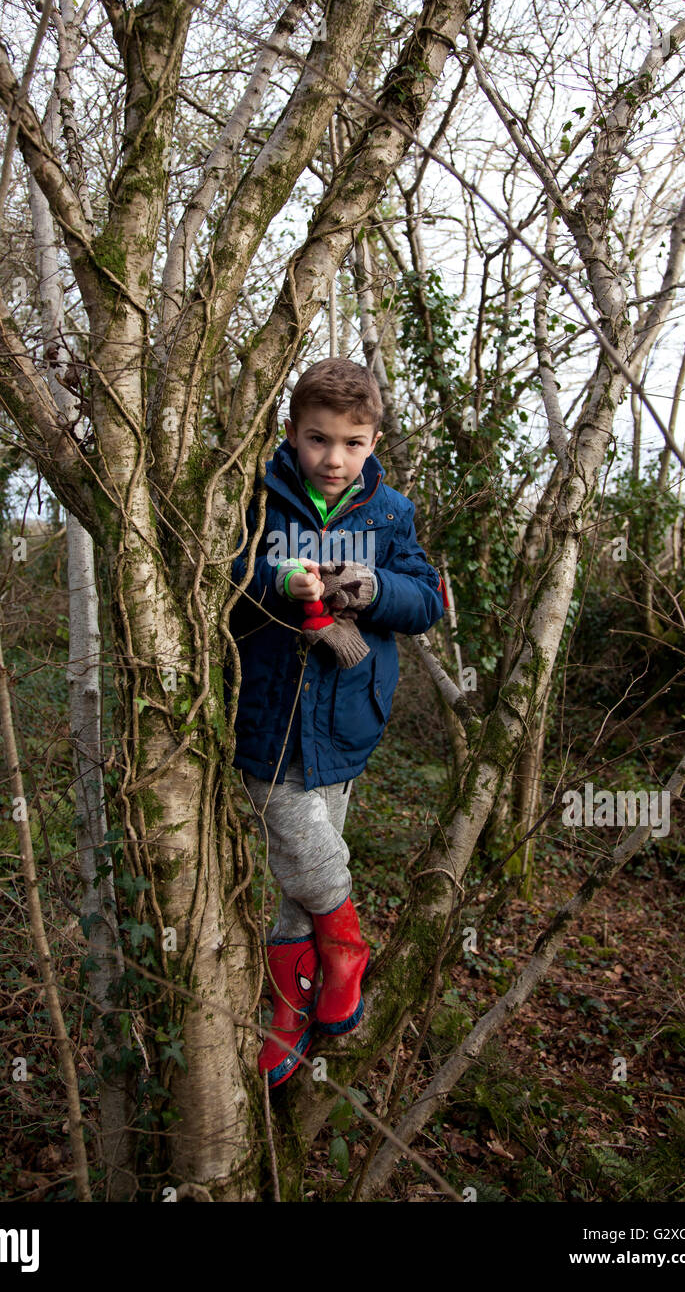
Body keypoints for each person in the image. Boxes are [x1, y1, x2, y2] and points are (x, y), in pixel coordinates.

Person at [229, 357, 445, 1087]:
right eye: (318, 440)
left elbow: (426, 601)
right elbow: (220, 571)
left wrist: (375, 586)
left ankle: (289, 1011)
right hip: (266, 714)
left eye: (353, 443)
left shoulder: (390, 514)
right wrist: (271, 580)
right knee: (302, 845)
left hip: (348, 718)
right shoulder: (259, 498)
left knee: (298, 875)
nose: (334, 459)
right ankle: (346, 948)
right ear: (292, 434)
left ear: (375, 439)